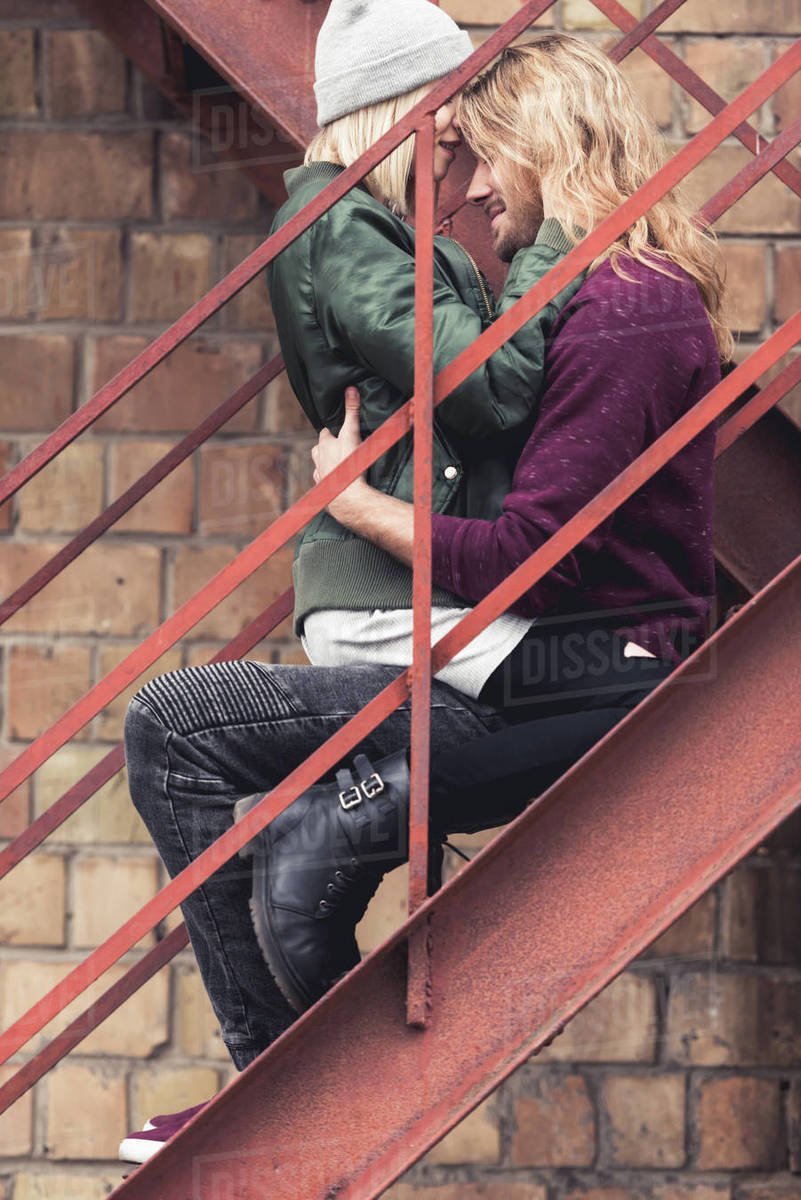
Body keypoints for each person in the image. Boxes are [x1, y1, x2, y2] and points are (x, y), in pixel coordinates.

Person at [118, 30, 729, 1165]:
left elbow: (525, 553)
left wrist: (354, 511)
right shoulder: (590, 296)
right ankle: (277, 1090)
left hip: (586, 679)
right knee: (223, 771)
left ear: (549, 146)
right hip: (537, 669)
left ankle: (283, 1102)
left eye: (488, 154)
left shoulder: (628, 306)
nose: (475, 184)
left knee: (249, 794)